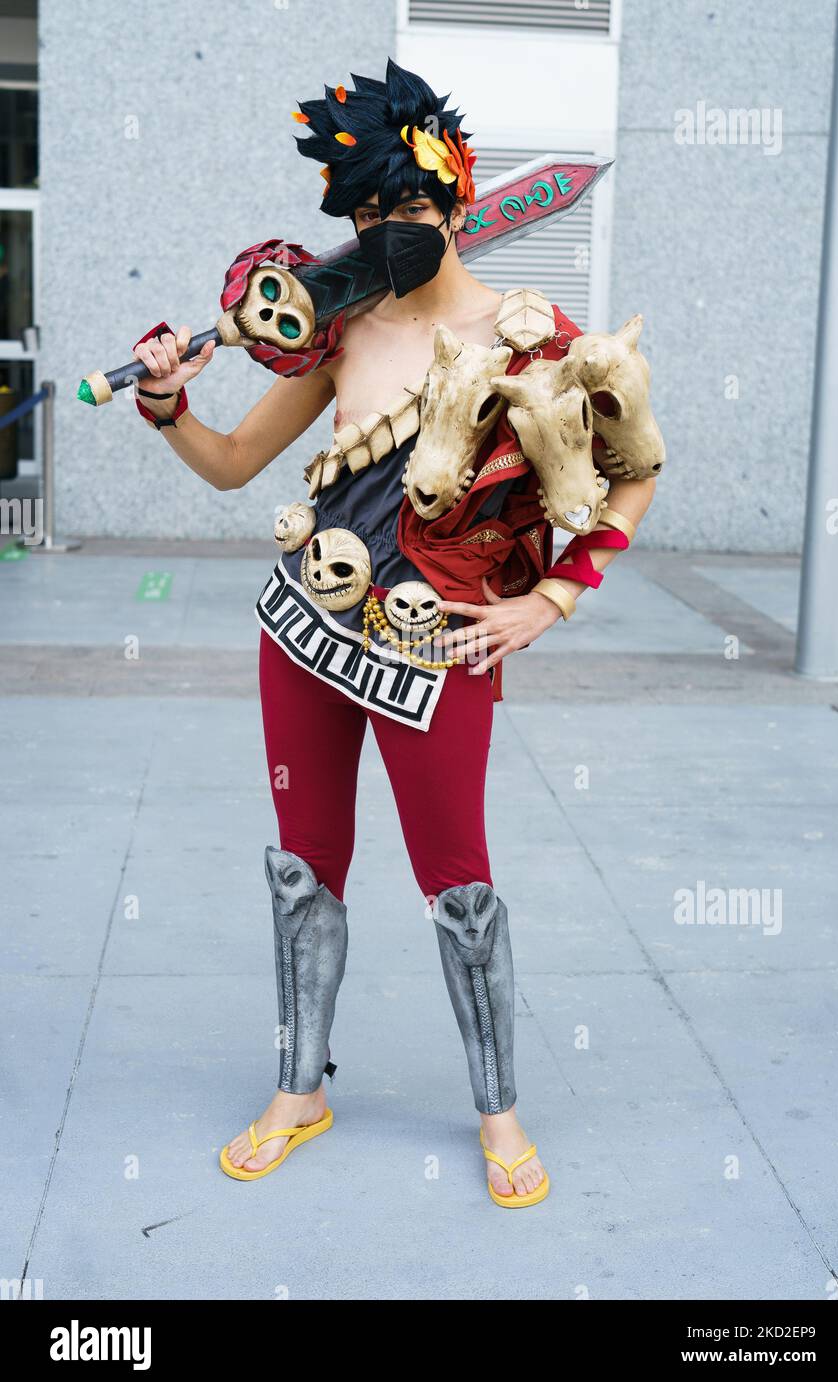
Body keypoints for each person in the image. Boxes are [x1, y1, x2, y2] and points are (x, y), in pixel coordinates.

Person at [130, 58, 656, 1208]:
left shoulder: (531, 341)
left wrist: (546, 600)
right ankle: (298, 1087)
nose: (388, 227)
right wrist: (168, 403)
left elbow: (631, 476)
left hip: (436, 645)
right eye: (367, 212)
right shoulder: (338, 325)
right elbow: (231, 466)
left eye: (407, 206)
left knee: (457, 881)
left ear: (456, 200)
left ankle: (498, 1108)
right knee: (300, 869)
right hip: (303, 639)